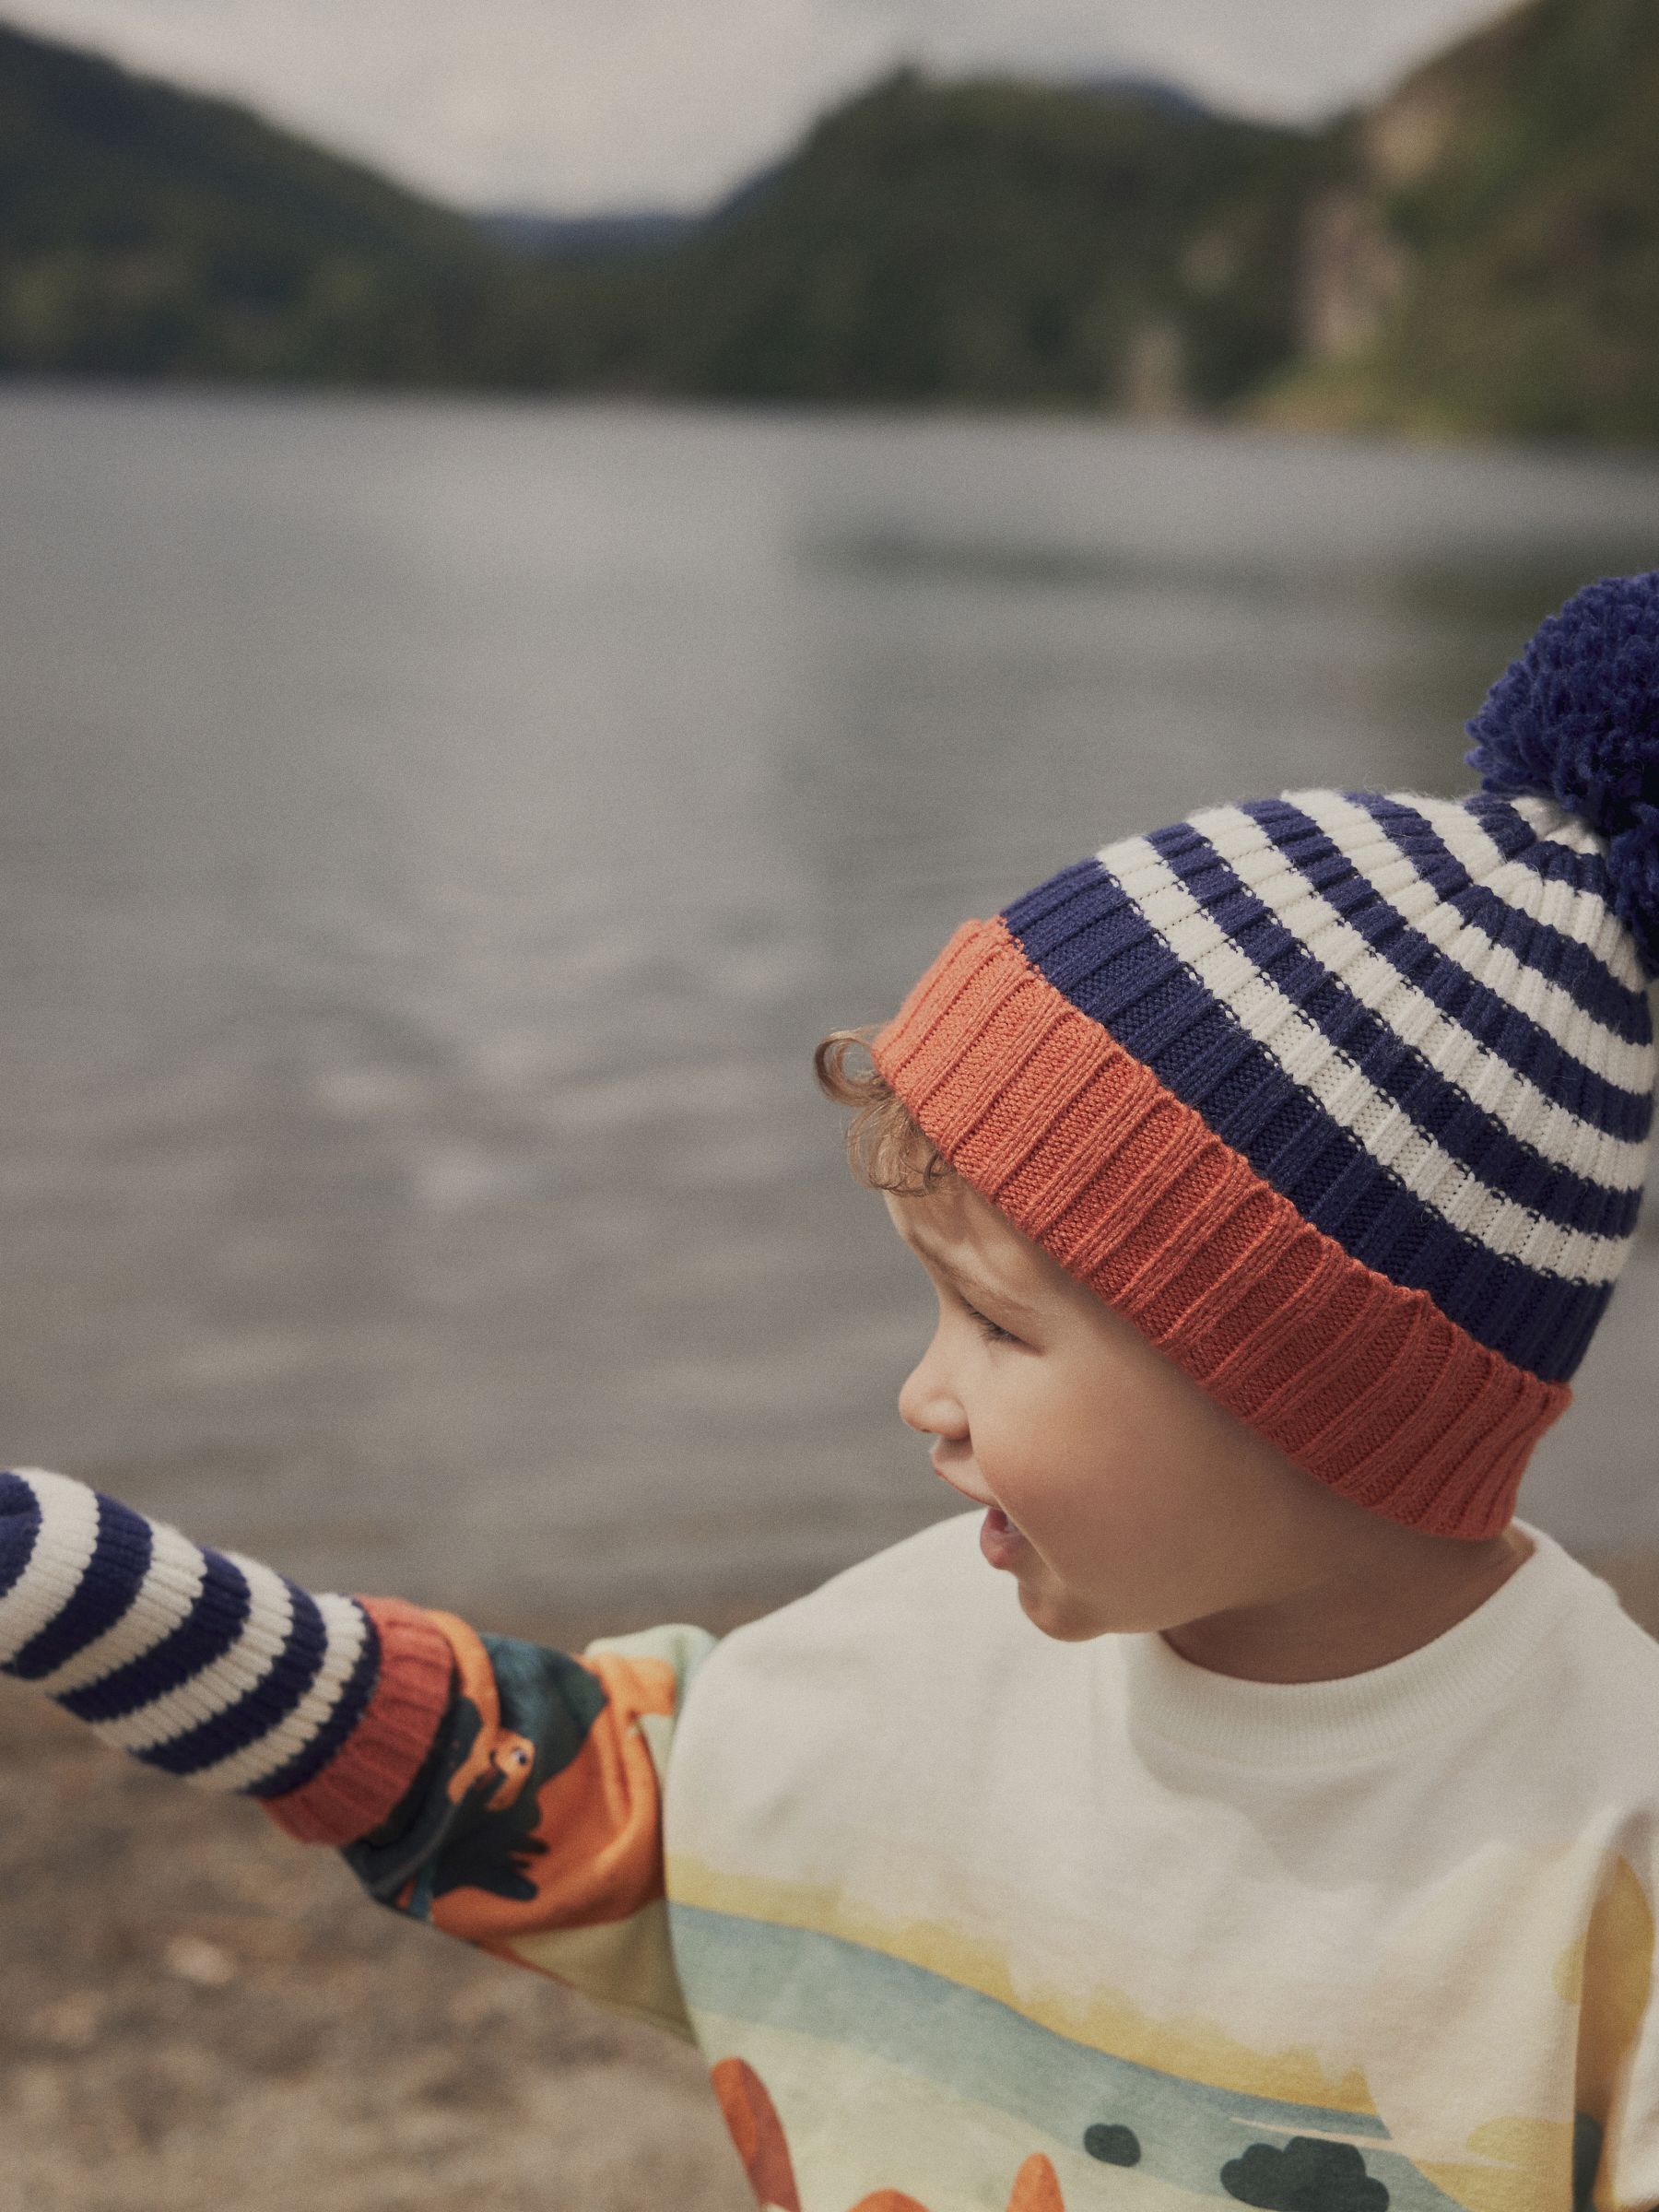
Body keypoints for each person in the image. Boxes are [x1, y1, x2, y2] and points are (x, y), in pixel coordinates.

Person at [4, 571, 1659, 2212]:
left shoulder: (1601, 1853)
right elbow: (545, 1788)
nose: (921, 1399)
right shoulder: (919, 1660)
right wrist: (46, 1570)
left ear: (1321, 1392)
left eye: (995, 1330)